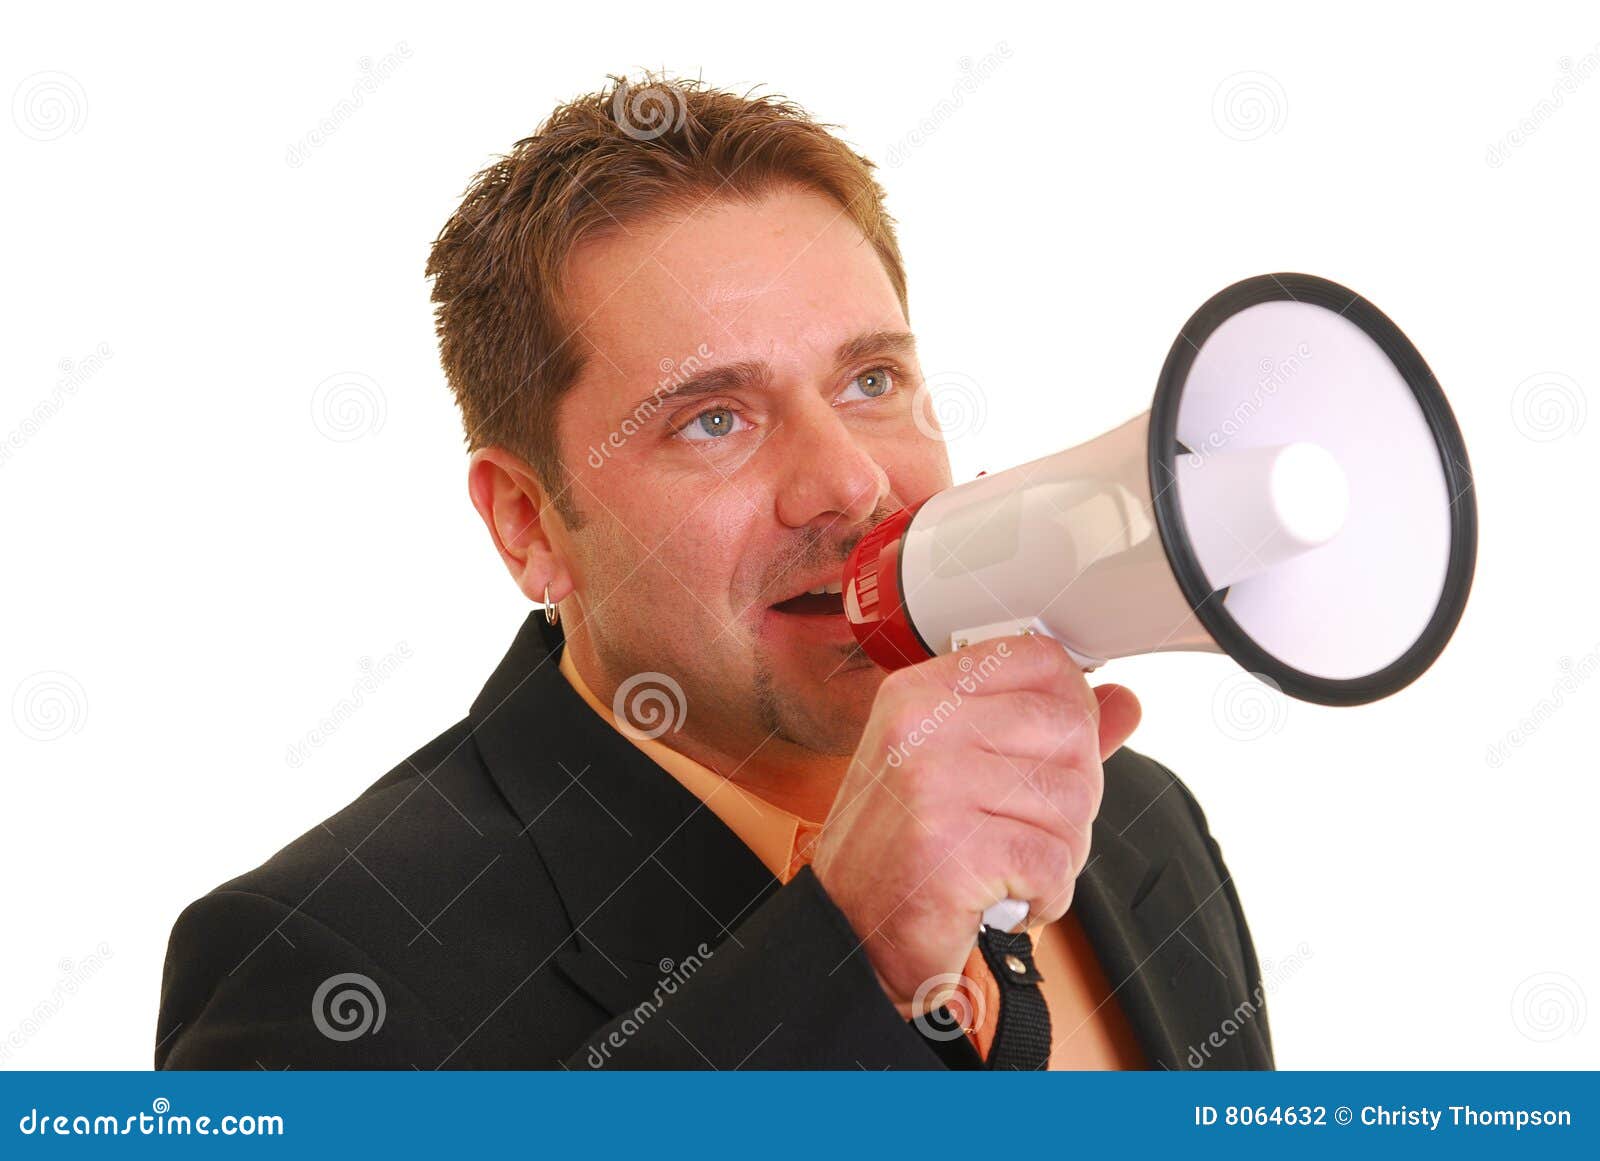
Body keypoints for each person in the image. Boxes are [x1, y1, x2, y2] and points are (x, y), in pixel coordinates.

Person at [156, 74, 1273, 1070]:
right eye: (713, 420)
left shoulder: (1124, 824)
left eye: (871, 381)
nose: (846, 483)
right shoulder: (321, 971)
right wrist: (850, 954)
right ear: (528, 524)